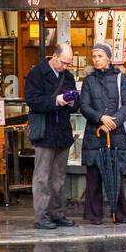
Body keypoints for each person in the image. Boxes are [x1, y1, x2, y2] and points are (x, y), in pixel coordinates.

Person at [24, 43, 79, 231]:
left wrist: (71, 101)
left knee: (59, 177)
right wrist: (55, 100)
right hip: (45, 132)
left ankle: (57, 213)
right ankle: (41, 216)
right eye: (64, 62)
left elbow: (75, 105)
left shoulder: (68, 76)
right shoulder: (37, 74)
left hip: (62, 131)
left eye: (68, 64)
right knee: (42, 176)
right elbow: (32, 100)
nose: (65, 67)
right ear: (54, 57)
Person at [79, 42, 126, 224]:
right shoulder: (88, 80)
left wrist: (114, 121)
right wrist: (101, 117)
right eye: (94, 56)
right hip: (94, 133)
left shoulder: (120, 78)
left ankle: (119, 213)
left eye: (100, 56)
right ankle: (94, 215)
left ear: (109, 58)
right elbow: (84, 106)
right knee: (94, 177)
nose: (96, 60)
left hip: (115, 133)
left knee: (115, 173)